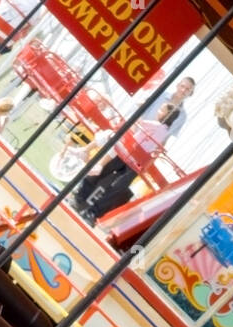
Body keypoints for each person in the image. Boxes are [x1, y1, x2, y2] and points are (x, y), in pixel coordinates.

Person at [73, 77, 195, 223]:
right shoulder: (161, 94)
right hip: (132, 138)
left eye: (187, 89)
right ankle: (79, 197)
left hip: (144, 151)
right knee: (104, 167)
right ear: (177, 85)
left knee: (119, 185)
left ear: (190, 93)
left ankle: (93, 213)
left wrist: (152, 157)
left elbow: (166, 138)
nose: (183, 90)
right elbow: (140, 109)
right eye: (183, 86)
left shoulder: (182, 116)